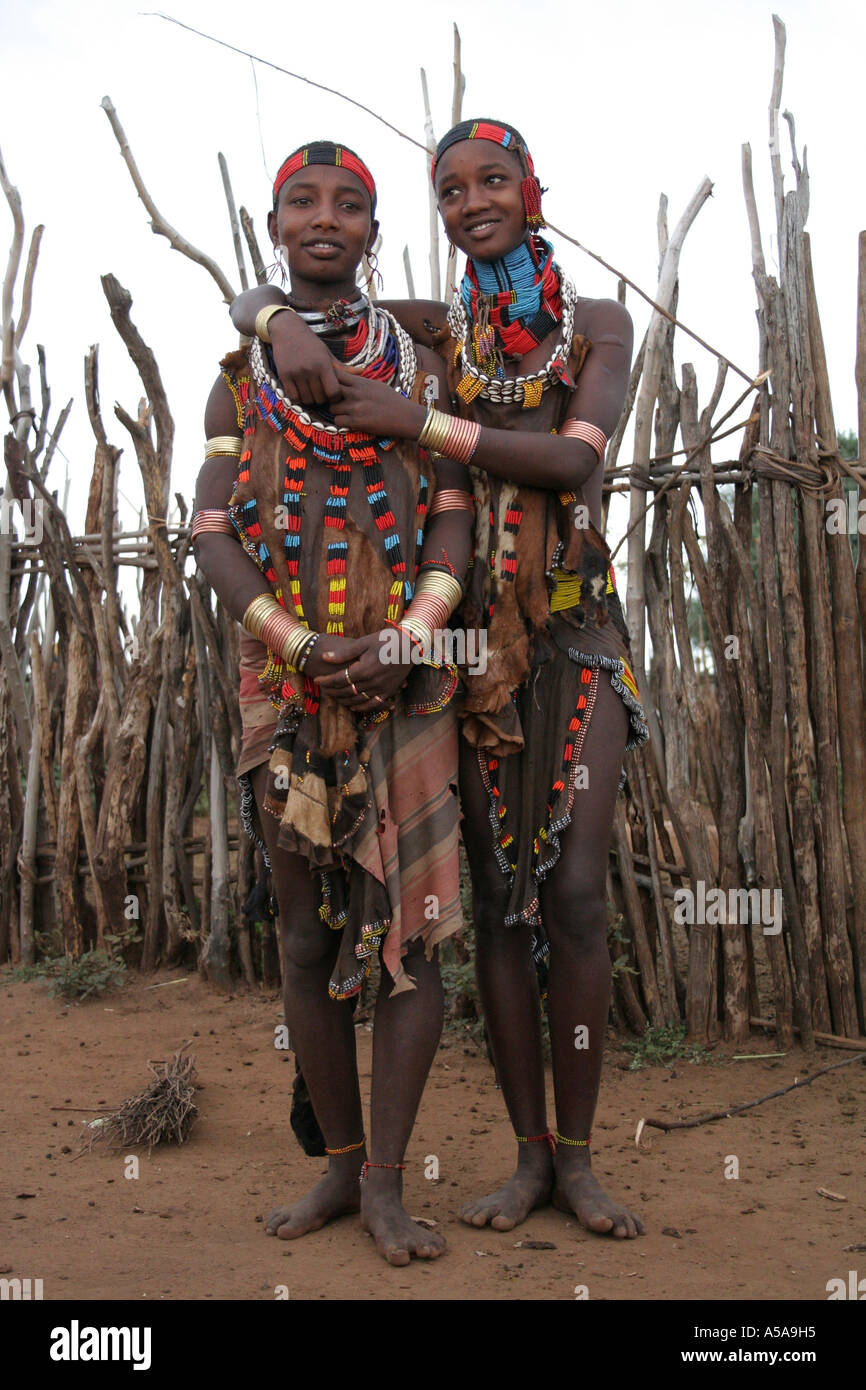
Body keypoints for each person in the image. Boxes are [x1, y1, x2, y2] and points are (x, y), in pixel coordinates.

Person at [230, 120, 649, 1240]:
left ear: (532, 191)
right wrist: (271, 319)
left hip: (573, 631)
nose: (472, 202)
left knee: (571, 893)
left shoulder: (597, 327)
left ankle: (581, 1159)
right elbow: (277, 304)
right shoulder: (432, 328)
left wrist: (418, 421)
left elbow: (571, 460)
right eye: (450, 187)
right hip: (463, 650)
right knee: (503, 904)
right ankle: (524, 1161)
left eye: (493, 181)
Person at [193, 140, 474, 1266]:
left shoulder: (422, 361)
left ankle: (392, 1188)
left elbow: (452, 506)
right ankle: (338, 1168)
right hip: (289, 688)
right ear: (274, 228)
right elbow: (211, 529)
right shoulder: (237, 373)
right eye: (301, 203)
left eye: (348, 205)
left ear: (372, 230)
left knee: (410, 940)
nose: (325, 218)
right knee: (307, 935)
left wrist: (410, 634)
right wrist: (300, 643)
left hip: (408, 678)